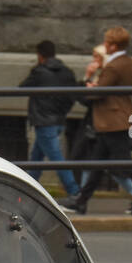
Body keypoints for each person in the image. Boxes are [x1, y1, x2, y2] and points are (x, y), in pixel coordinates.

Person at [60, 26, 132, 216]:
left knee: (125, 163)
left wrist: (89, 85)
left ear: (114, 46)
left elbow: (98, 94)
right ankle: (81, 202)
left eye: (107, 42)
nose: (105, 45)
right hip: (116, 118)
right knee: (97, 164)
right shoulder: (131, 63)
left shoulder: (113, 66)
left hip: (112, 121)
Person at [68, 43, 132, 204]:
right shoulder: (103, 76)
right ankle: (81, 199)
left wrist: (88, 81)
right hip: (97, 125)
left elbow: (88, 100)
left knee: (112, 164)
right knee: (92, 162)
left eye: (96, 57)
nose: (93, 60)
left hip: (104, 125)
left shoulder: (107, 76)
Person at [20, 40, 80, 196]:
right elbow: (72, 95)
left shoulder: (39, 72)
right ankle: (28, 189)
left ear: (40, 55)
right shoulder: (67, 72)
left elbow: (22, 87)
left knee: (56, 158)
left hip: (43, 120)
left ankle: (74, 192)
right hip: (59, 120)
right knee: (36, 157)